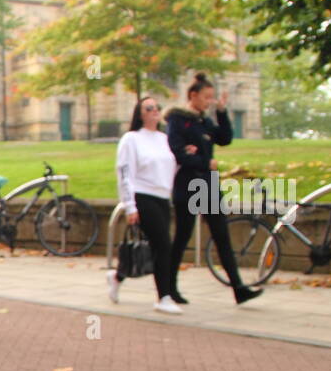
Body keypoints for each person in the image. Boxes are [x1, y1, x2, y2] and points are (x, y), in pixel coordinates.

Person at [165, 72, 262, 305]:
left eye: (212, 98)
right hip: (188, 185)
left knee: (222, 237)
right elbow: (177, 153)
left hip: (207, 186)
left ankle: (238, 288)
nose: (209, 101)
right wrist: (203, 162)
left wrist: (221, 112)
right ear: (193, 95)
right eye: (207, 98)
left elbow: (225, 138)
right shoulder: (177, 120)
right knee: (182, 237)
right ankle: (169, 287)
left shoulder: (204, 121)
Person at [108, 96, 179, 313]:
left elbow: (170, 167)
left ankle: (117, 276)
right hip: (142, 196)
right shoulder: (131, 139)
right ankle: (163, 297)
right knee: (163, 245)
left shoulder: (163, 138)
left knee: (157, 246)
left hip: (162, 197)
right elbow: (125, 172)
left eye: (157, 107)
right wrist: (130, 205)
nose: (154, 111)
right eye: (149, 108)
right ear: (140, 114)